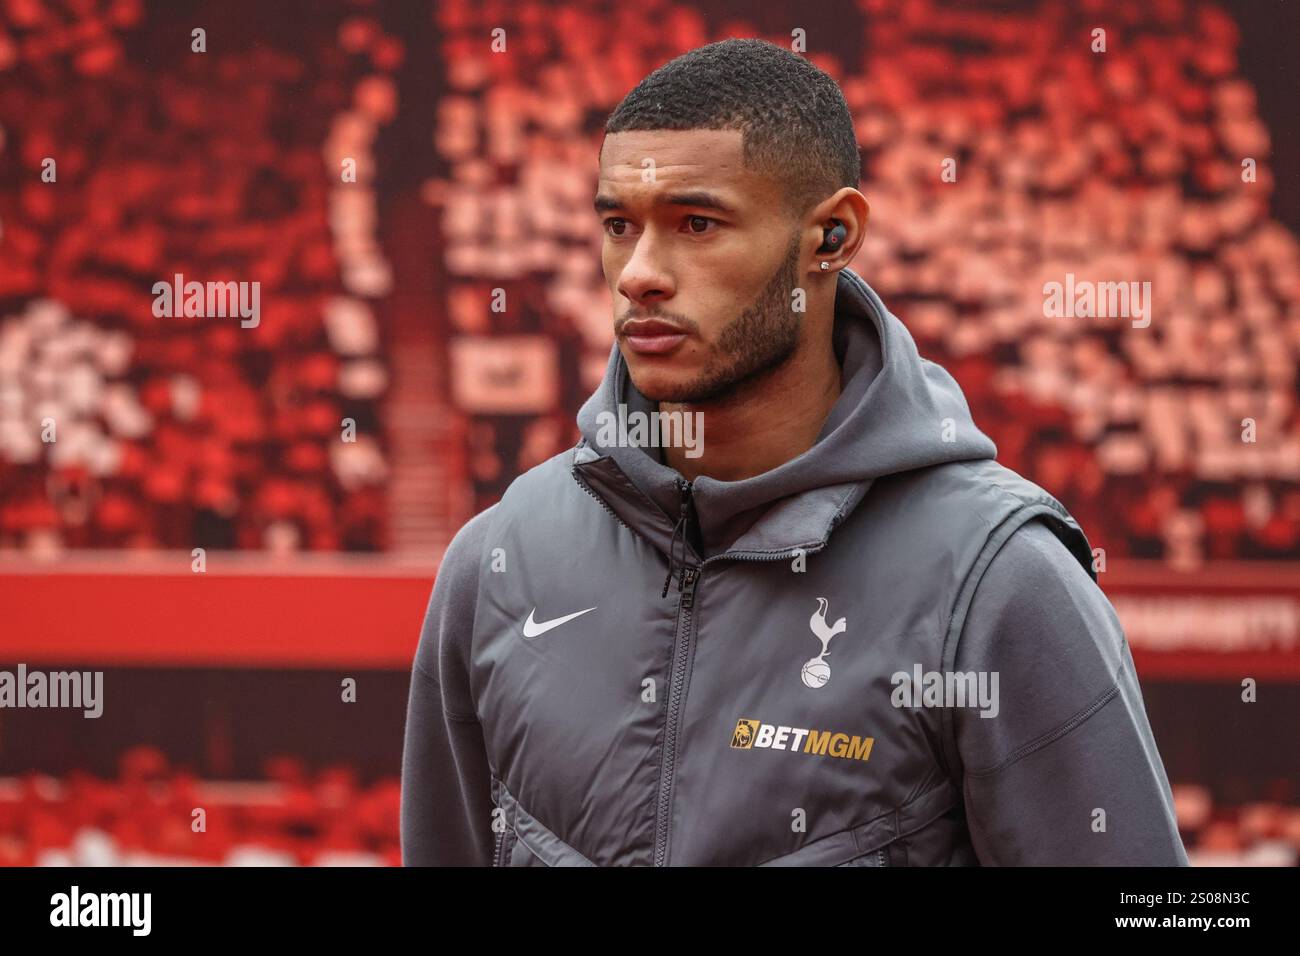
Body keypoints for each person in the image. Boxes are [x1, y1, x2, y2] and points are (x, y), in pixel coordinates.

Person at [401, 38, 1187, 866]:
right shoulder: (495, 562)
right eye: (618, 225)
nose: (638, 273)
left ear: (832, 237)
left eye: (696, 224)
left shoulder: (999, 584)